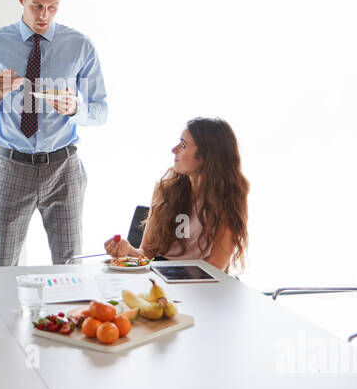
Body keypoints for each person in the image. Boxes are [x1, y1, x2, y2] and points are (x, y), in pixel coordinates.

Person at [0, 0, 107, 266]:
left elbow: (100, 111)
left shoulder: (79, 46)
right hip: (10, 167)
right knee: (1, 264)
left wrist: (75, 109)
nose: (44, 15)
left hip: (64, 168)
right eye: (37, 6)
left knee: (71, 264)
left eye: (52, 8)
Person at [103, 117, 249, 273]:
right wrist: (128, 250)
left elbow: (216, 267)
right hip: (159, 277)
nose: (174, 149)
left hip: (200, 282)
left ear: (206, 156)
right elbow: (146, 254)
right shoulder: (166, 189)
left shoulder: (229, 199)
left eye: (183, 145)